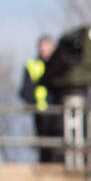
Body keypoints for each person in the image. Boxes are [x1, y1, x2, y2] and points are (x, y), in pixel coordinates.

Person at [20, 35, 55, 164]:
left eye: (47, 47)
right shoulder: (32, 65)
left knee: (58, 144)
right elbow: (25, 90)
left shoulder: (58, 66)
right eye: (42, 47)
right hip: (41, 113)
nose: (44, 51)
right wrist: (34, 103)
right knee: (43, 144)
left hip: (57, 111)